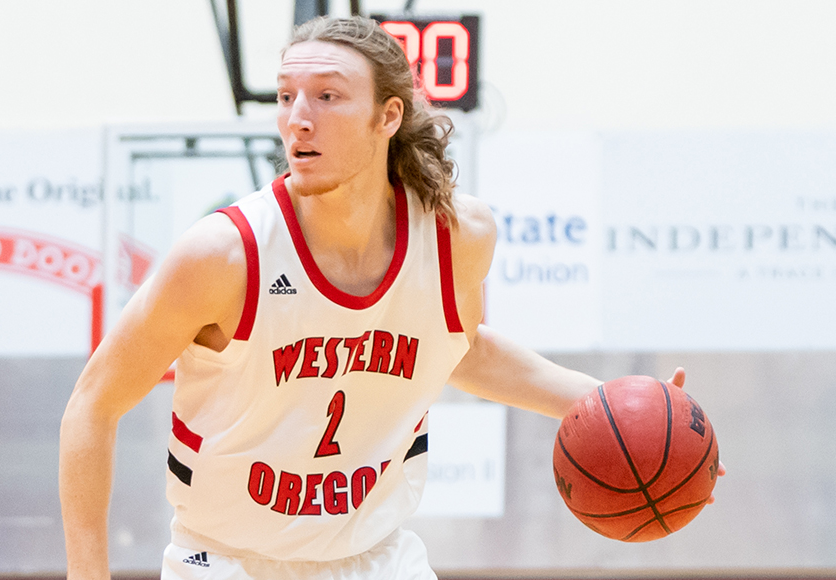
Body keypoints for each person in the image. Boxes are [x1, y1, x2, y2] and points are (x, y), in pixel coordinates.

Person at [59, 15, 717, 580]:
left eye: (327, 96)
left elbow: (457, 349)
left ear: (388, 115)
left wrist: (610, 409)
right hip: (229, 560)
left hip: (376, 557)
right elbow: (93, 404)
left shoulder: (459, 235)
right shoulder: (222, 256)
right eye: (286, 97)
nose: (298, 119)